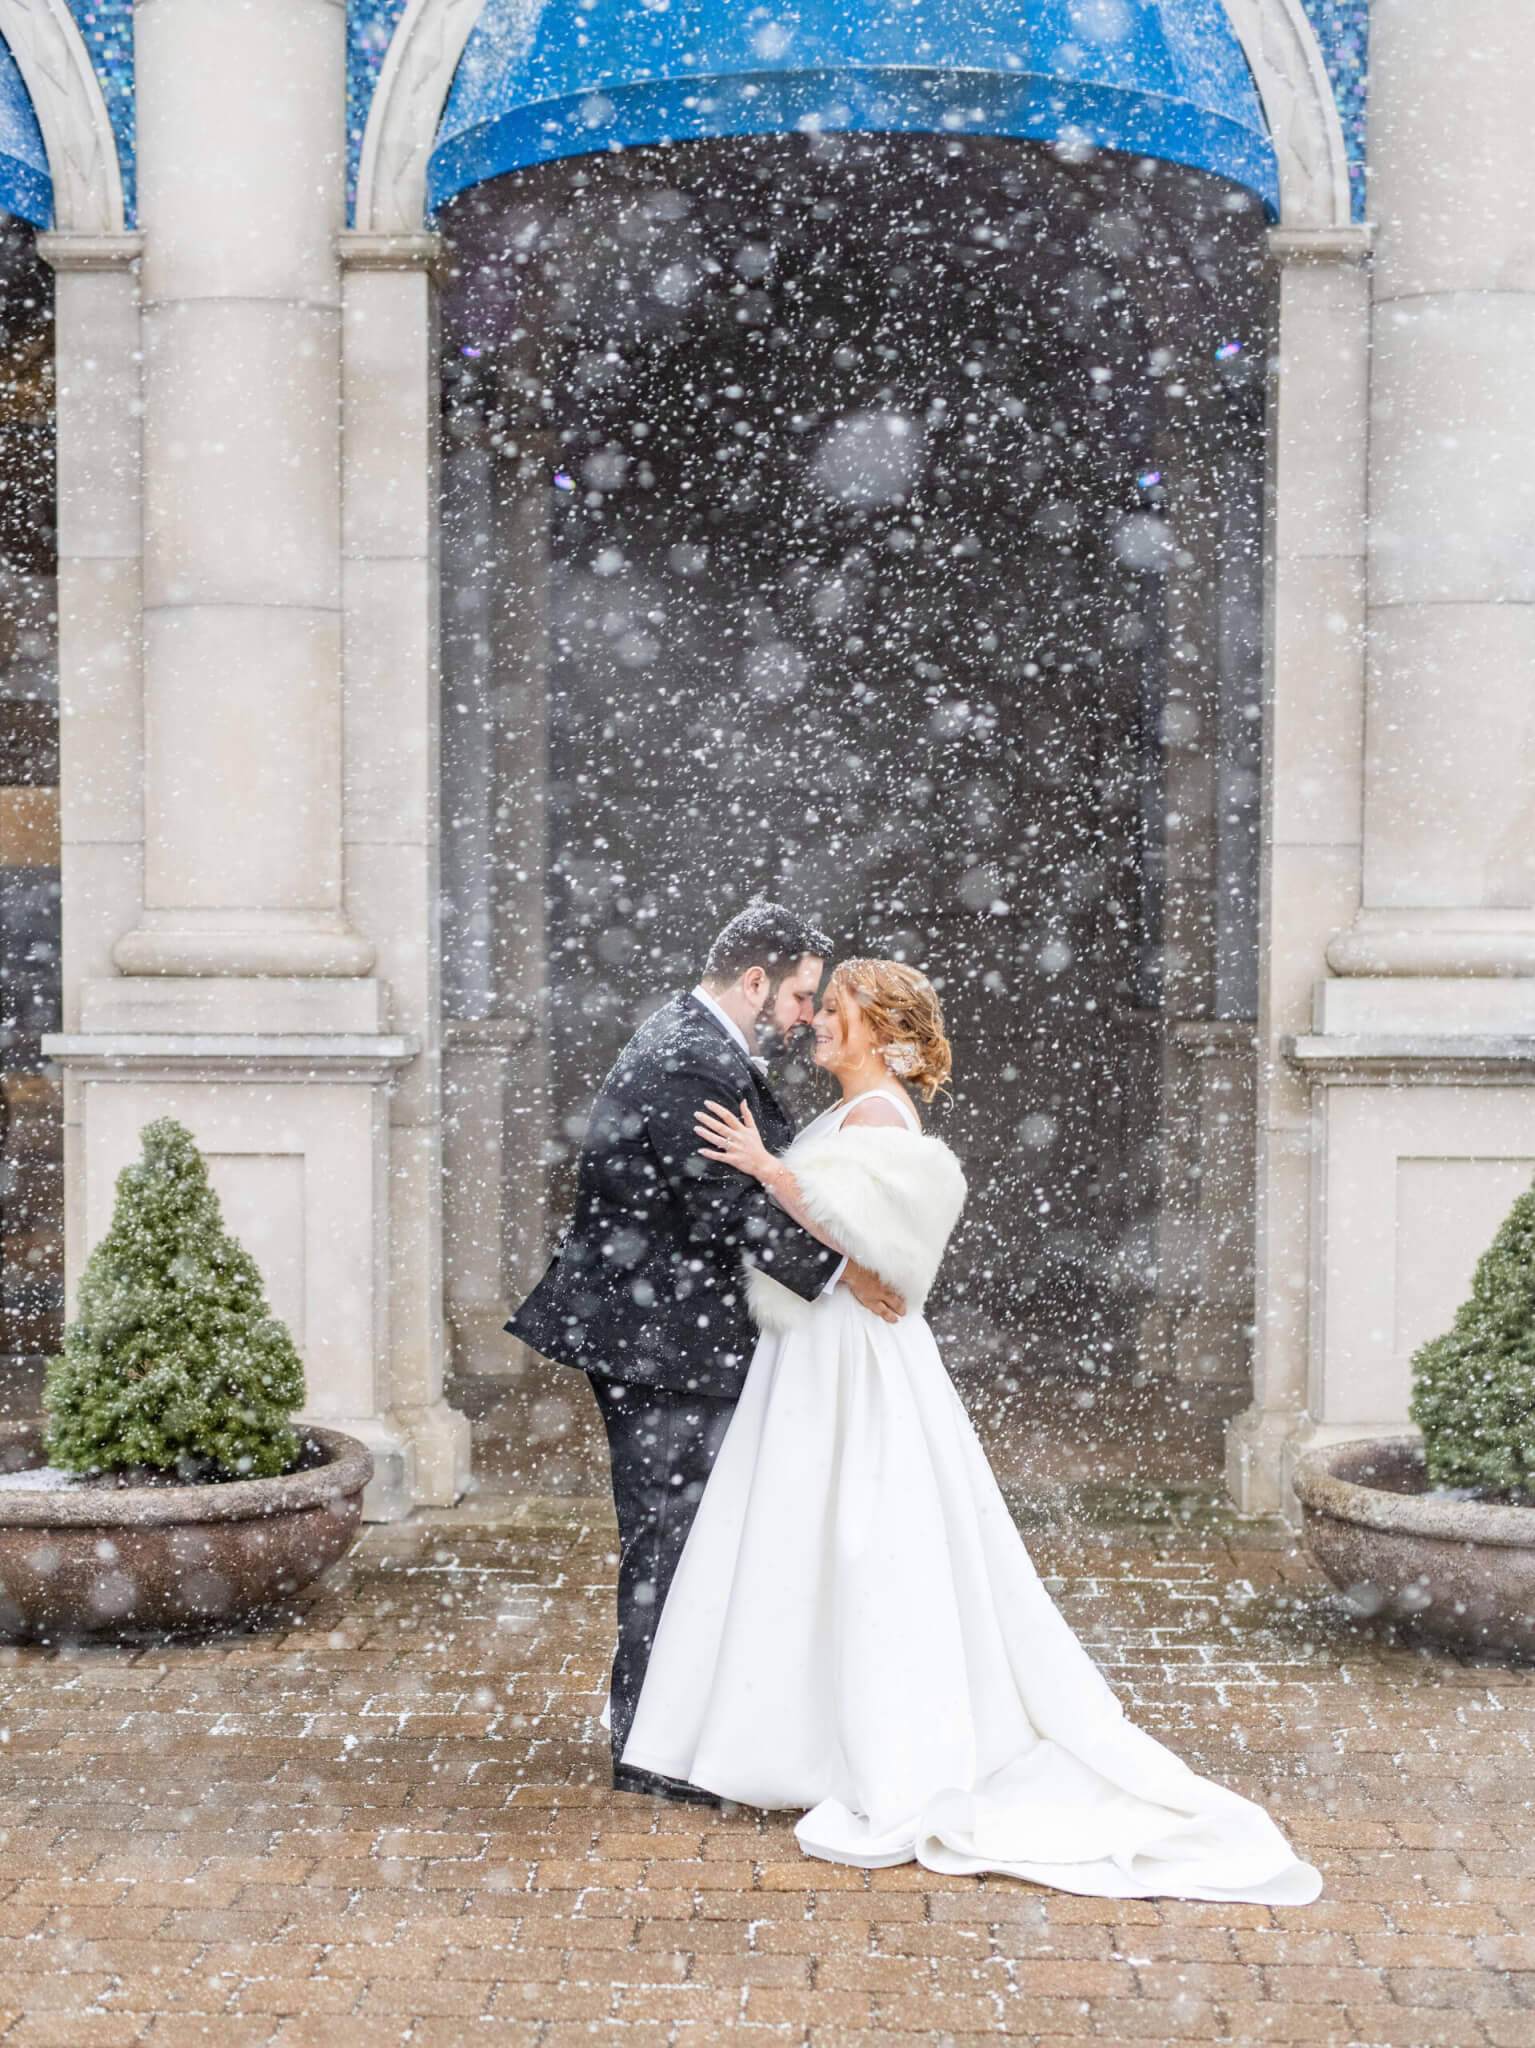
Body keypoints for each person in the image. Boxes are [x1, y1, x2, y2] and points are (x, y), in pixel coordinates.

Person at [621, 958, 1322, 1903]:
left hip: (854, 1360)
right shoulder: (848, 1111)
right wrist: (780, 1179)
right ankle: (793, 1728)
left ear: (880, 1029)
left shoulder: (879, 1117)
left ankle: (853, 1735)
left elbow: (859, 1237)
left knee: (859, 1533)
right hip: (821, 1347)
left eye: (837, 1010)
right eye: (819, 1006)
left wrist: (765, 1169)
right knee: (811, 1532)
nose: (819, 1022)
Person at [508, 904, 905, 1800]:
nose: (807, 1015)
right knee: (667, 1540)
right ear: (755, 981)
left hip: (669, 1334)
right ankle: (649, 1751)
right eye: (802, 994)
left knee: (681, 1537)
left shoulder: (699, 1043)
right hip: (658, 1345)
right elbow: (720, 1206)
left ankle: (664, 1733)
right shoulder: (689, 1055)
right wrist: (843, 1271)